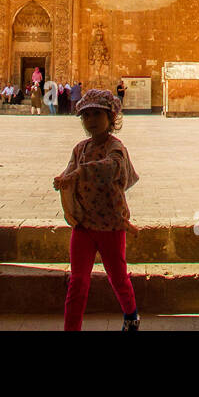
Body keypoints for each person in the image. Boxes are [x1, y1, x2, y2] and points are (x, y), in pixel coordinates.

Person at [53, 89, 140, 332]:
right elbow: (70, 169)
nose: (90, 120)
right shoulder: (80, 148)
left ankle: (131, 316)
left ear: (111, 118)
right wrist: (62, 179)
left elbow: (113, 167)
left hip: (111, 225)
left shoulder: (116, 147)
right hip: (84, 224)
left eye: (96, 115)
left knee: (118, 277)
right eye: (86, 115)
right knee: (77, 280)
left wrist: (81, 172)